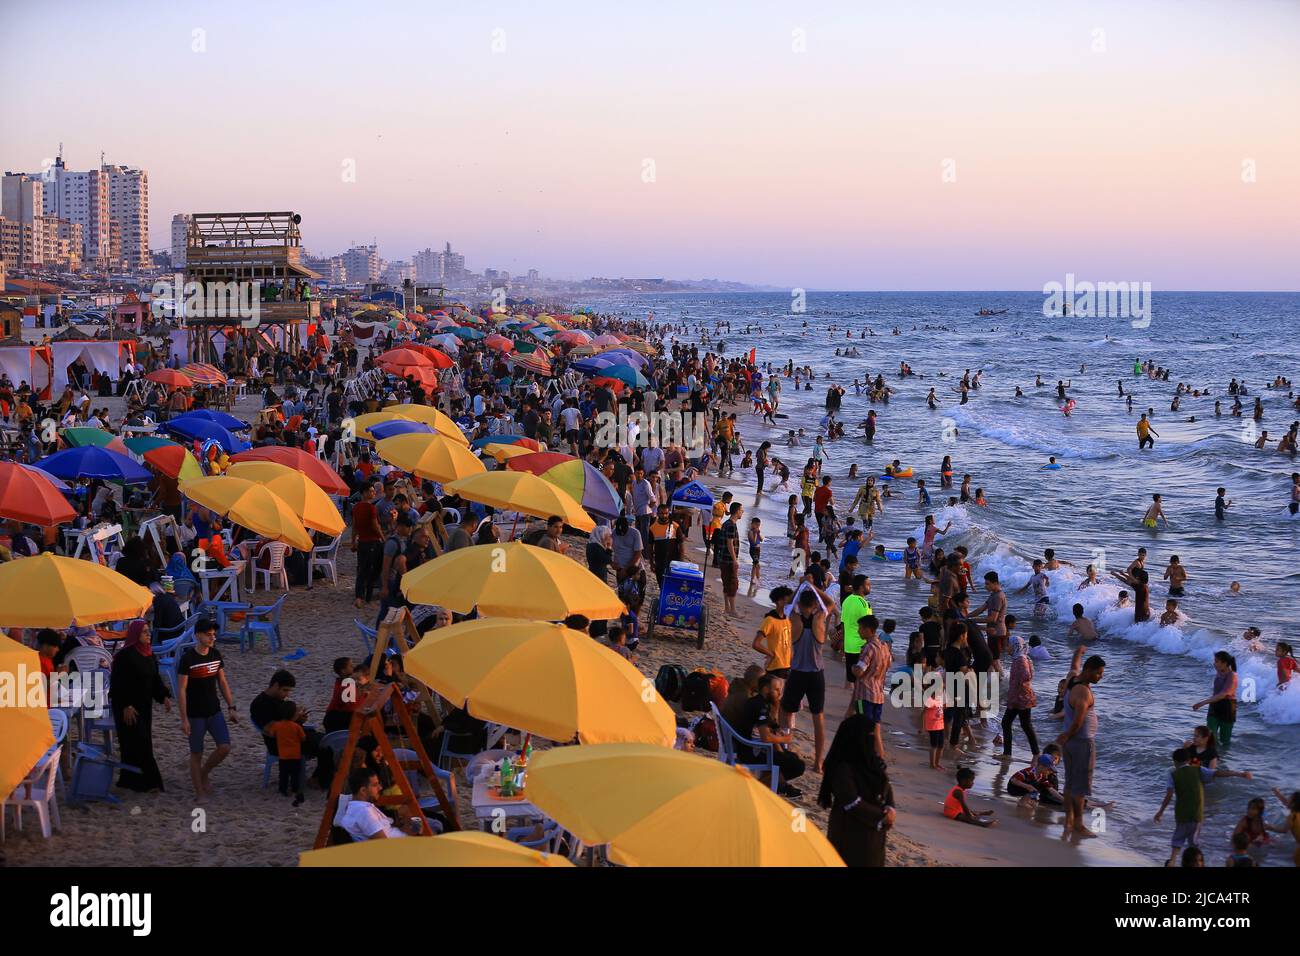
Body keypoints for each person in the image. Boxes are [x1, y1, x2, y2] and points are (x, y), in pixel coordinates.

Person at [818, 713, 896, 866]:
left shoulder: (872, 761)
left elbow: (885, 784)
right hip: (849, 833)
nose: (874, 740)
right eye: (871, 735)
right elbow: (851, 801)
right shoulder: (842, 768)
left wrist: (890, 807)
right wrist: (881, 817)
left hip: (874, 835)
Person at [177, 618, 238, 798]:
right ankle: (199, 792)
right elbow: (181, 690)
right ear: (198, 635)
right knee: (196, 753)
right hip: (195, 714)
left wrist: (231, 706)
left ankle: (204, 772)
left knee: (224, 747)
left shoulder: (215, 654)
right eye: (208, 635)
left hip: (214, 710)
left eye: (213, 635)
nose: (212, 638)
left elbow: (222, 681)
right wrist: (184, 719)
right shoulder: (188, 659)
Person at [109, 620, 173, 792]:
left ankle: (130, 780)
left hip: (144, 705)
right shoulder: (124, 656)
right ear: (136, 634)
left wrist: (164, 696)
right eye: (144, 632)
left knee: (141, 741)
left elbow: (154, 680)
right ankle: (152, 782)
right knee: (137, 742)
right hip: (127, 706)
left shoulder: (149, 654)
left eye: (148, 631)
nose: (148, 634)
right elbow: (117, 685)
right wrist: (125, 706)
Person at [1055, 652, 1105, 839]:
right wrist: (1067, 734)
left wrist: (1079, 651)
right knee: (1080, 787)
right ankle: (1079, 824)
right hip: (1082, 742)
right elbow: (1078, 721)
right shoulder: (1083, 691)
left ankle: (1068, 820)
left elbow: (1074, 665)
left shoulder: (1072, 680)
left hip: (1070, 742)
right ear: (1090, 671)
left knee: (1069, 783)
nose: (1101, 676)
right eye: (1099, 673)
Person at [734, 673, 805, 797]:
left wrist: (776, 722)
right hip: (751, 752)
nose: (779, 693)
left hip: (745, 747)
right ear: (766, 689)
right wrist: (785, 738)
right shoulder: (761, 707)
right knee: (798, 766)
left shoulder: (756, 701)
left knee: (790, 756)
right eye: (776, 690)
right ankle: (757, 787)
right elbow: (766, 738)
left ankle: (778, 785)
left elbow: (768, 724)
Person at [783, 587, 829, 772]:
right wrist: (815, 588)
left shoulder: (794, 619)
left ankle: (785, 747)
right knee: (818, 718)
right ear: (815, 604)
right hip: (817, 674)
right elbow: (831, 604)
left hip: (798, 673)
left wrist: (800, 586)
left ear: (800, 605)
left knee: (785, 712)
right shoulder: (820, 620)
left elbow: (788, 605)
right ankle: (818, 762)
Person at [338, 767, 421, 840]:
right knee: (426, 824)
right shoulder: (364, 812)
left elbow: (388, 831)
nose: (380, 788)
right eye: (375, 785)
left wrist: (411, 821)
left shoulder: (361, 807)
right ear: (363, 791)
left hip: (404, 838)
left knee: (419, 819)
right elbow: (383, 846)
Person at [1154, 748, 1204, 866]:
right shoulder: (1198, 770)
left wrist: (1160, 811)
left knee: (1178, 839)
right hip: (1197, 814)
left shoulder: (1173, 774)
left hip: (1182, 814)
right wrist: (1239, 774)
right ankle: (1198, 863)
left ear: (1174, 762)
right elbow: (1216, 773)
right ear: (1189, 760)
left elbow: (1169, 794)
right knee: (1194, 843)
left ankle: (1172, 861)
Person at [1192, 650, 1238, 746]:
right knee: (1210, 737)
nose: (1214, 663)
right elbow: (1217, 693)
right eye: (1215, 661)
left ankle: (1223, 759)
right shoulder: (1219, 672)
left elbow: (1223, 695)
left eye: (1217, 661)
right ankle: (1211, 757)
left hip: (1227, 708)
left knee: (1225, 740)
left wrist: (1202, 703)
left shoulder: (1232, 676)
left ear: (1225, 663)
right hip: (1214, 706)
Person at [752, 586, 793, 677]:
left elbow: (788, 644)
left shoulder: (787, 619)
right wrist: (770, 654)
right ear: (779, 601)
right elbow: (756, 644)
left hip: (787, 665)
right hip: (775, 666)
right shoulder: (770, 620)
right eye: (787, 601)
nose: (790, 604)